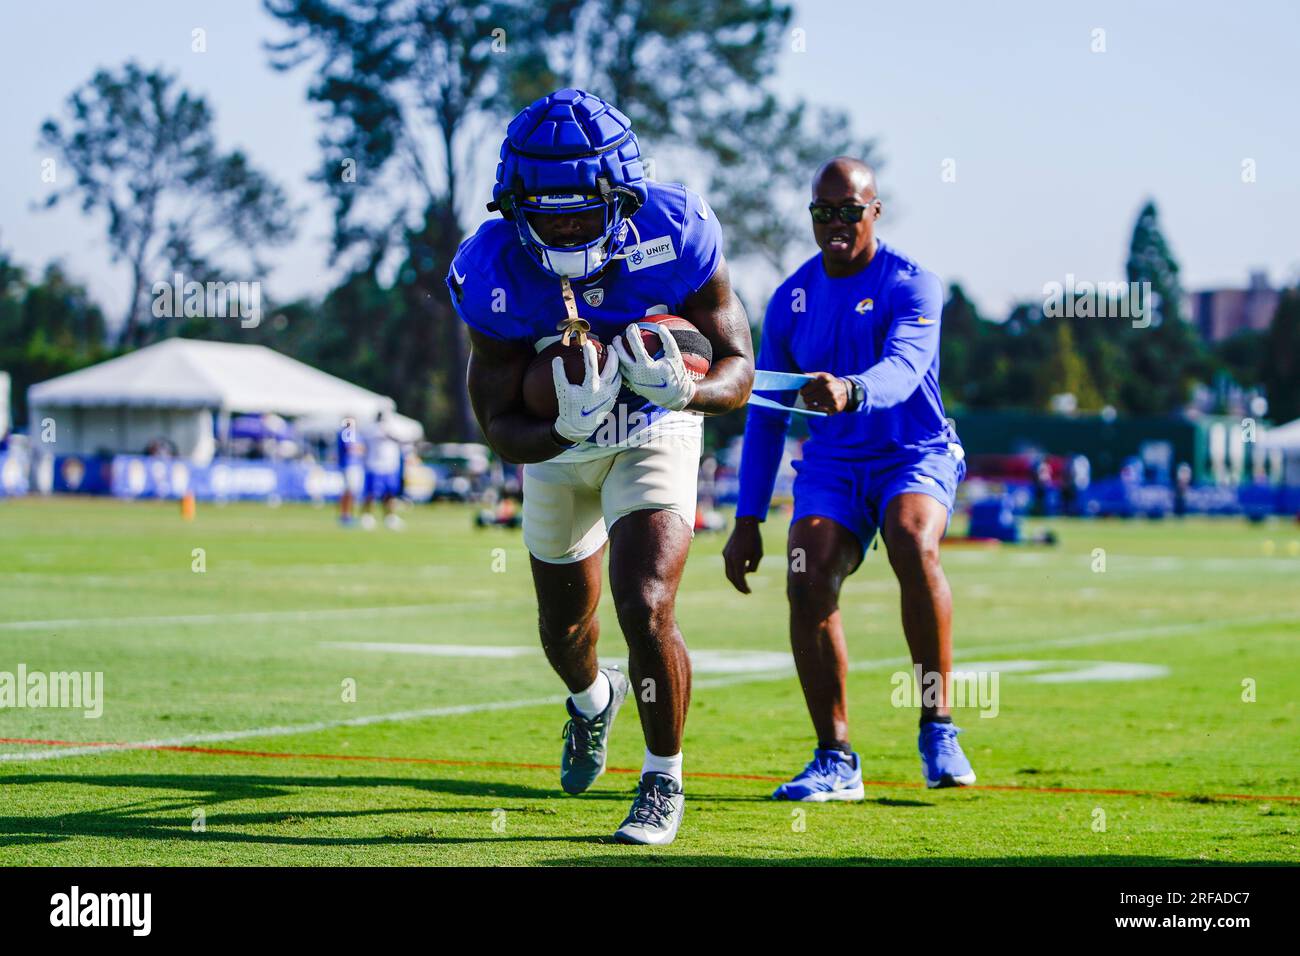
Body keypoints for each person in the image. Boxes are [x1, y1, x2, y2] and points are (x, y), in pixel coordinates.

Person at [446, 89, 753, 844]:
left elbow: (739, 367)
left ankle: (662, 779)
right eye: (547, 213)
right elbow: (497, 423)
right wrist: (562, 426)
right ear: (514, 204)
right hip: (562, 452)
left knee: (645, 603)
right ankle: (592, 702)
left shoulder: (677, 229)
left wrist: (687, 389)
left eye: (582, 210)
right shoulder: (491, 267)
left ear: (624, 195)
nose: (565, 226)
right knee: (563, 629)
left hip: (655, 430)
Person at [723, 157, 975, 800]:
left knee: (912, 539)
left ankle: (937, 726)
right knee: (804, 574)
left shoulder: (915, 285)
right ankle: (836, 759)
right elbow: (767, 414)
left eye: (850, 210)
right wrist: (747, 519)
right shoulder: (788, 299)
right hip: (833, 465)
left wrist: (850, 388)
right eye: (823, 211)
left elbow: (905, 367)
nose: (836, 222)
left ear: (875, 211)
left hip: (912, 452)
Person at [360, 410, 404, 530]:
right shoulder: (372, 429)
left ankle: (389, 517)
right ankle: (367, 516)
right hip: (375, 466)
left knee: (390, 494)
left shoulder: (392, 427)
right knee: (371, 494)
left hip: (389, 466)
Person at [336, 417, 364, 526]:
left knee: (352, 492)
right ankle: (345, 515)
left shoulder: (355, 434)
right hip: (349, 465)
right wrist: (360, 449)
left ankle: (348, 515)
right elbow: (351, 448)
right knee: (349, 491)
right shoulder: (346, 433)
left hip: (355, 465)